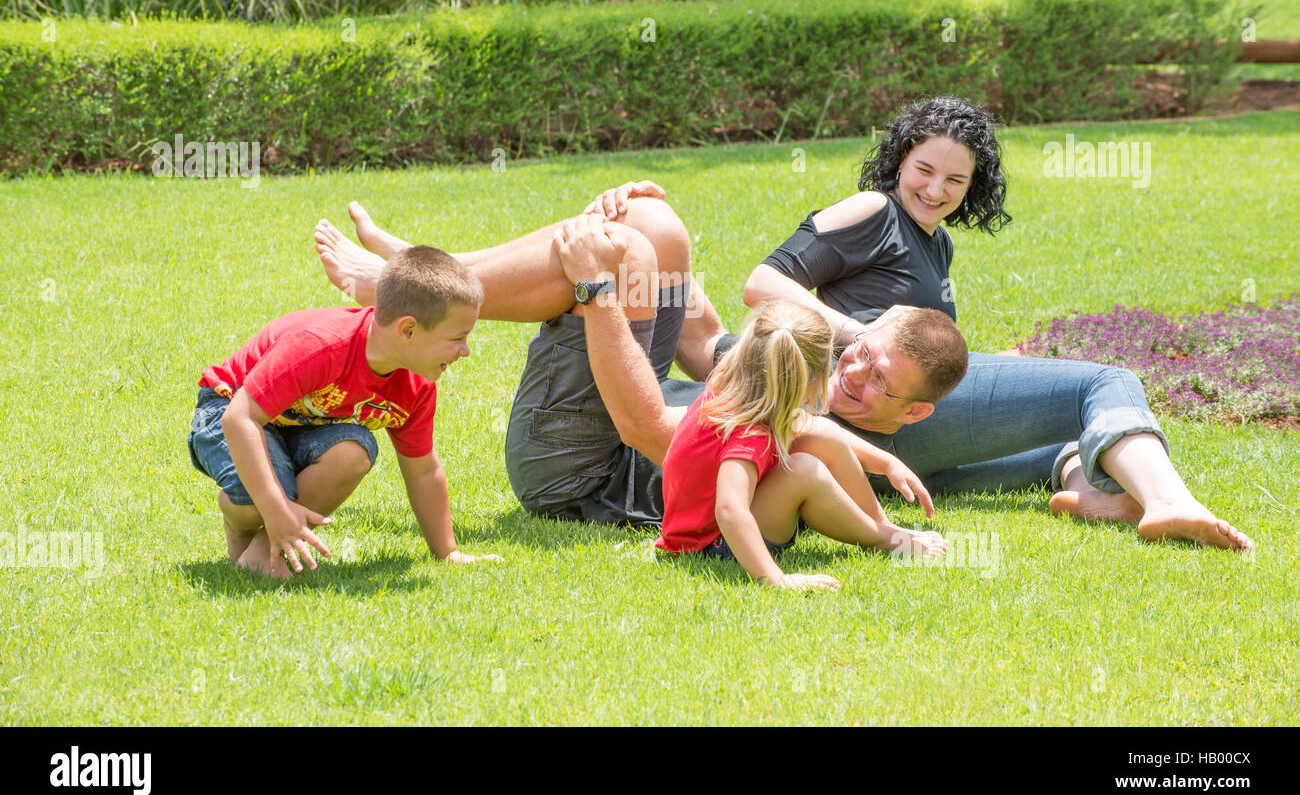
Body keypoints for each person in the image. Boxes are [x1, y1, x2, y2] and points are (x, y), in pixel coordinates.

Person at [728, 95, 1253, 552]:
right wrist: (858, 336)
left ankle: (1098, 497)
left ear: (974, 186)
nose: (936, 190)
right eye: (924, 170)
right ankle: (1168, 502)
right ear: (899, 160)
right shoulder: (872, 210)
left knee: (1075, 432)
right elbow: (762, 283)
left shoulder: (937, 242)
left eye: (956, 179)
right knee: (1107, 383)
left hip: (893, 443)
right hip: (866, 407)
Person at [313, 204, 962, 535]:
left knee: (622, 252)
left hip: (578, 470)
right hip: (618, 412)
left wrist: (600, 289)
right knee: (653, 228)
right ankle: (426, 271)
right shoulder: (794, 365)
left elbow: (644, 425)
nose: (855, 374)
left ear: (913, 413)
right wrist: (646, 224)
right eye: (862, 352)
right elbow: (704, 338)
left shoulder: (803, 427)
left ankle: (411, 287)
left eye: (881, 383)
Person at [188, 245, 503, 579]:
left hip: (298, 425)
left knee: (353, 450)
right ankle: (243, 514)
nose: (465, 351)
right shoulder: (321, 346)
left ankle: (263, 548)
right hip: (229, 408)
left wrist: (448, 552)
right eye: (458, 338)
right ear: (408, 330)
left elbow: (422, 471)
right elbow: (240, 418)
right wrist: (274, 507)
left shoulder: (415, 385)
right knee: (261, 497)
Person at [656, 299, 949, 594]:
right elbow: (730, 509)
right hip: (711, 545)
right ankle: (880, 538)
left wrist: (887, 463)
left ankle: (882, 525)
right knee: (806, 472)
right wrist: (776, 579)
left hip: (707, 531)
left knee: (822, 433)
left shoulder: (738, 385)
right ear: (809, 382)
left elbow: (812, 426)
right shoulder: (749, 432)